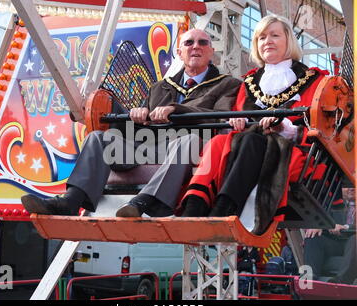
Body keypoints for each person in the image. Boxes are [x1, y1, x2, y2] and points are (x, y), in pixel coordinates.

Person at [21, 29, 241, 217]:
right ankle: (70, 201)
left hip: (191, 151)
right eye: (189, 42)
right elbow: (135, 130)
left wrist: (177, 109)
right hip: (149, 146)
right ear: (179, 52)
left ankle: (144, 202)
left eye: (203, 43)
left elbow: (220, 118)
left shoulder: (227, 84)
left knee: (189, 139)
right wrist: (137, 114)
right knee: (99, 138)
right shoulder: (160, 87)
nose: (196, 47)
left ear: (212, 52)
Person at [180, 14, 329, 235]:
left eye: (274, 35)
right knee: (220, 142)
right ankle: (194, 205)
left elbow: (320, 129)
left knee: (251, 139)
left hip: (291, 152)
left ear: (289, 40)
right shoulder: (249, 82)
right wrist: (236, 121)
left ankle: (225, 208)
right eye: (261, 37)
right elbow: (240, 116)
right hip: (249, 146)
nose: (267, 41)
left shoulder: (314, 80)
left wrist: (284, 127)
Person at [303, 188, 356, 284]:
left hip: (353, 245)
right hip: (337, 243)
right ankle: (308, 280)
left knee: (355, 239)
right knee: (313, 236)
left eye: (353, 184)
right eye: (347, 185)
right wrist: (320, 226)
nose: (351, 188)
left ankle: (341, 283)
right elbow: (321, 221)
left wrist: (345, 227)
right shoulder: (330, 203)